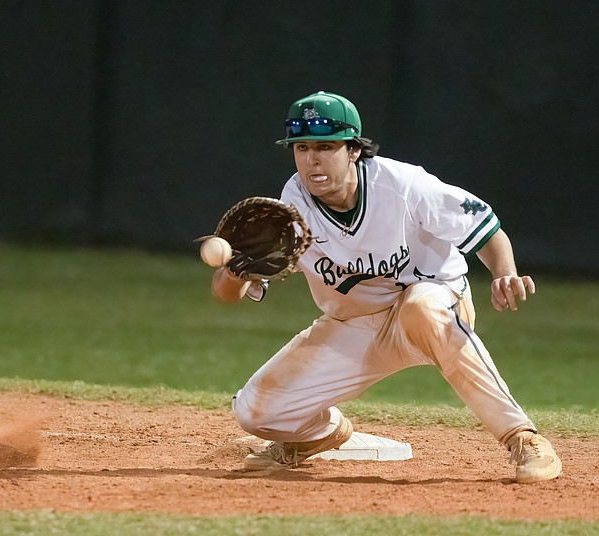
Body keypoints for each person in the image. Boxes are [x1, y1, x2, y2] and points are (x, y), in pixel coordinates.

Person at [211, 91, 562, 484]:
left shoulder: (403, 185)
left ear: (354, 150)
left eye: (326, 147)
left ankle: (524, 438)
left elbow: (484, 227)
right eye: (302, 147)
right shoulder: (292, 209)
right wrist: (236, 270)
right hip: (355, 325)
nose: (312, 159)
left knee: (422, 305)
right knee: (255, 412)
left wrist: (503, 272)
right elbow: (226, 296)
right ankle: (316, 436)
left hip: (433, 303)